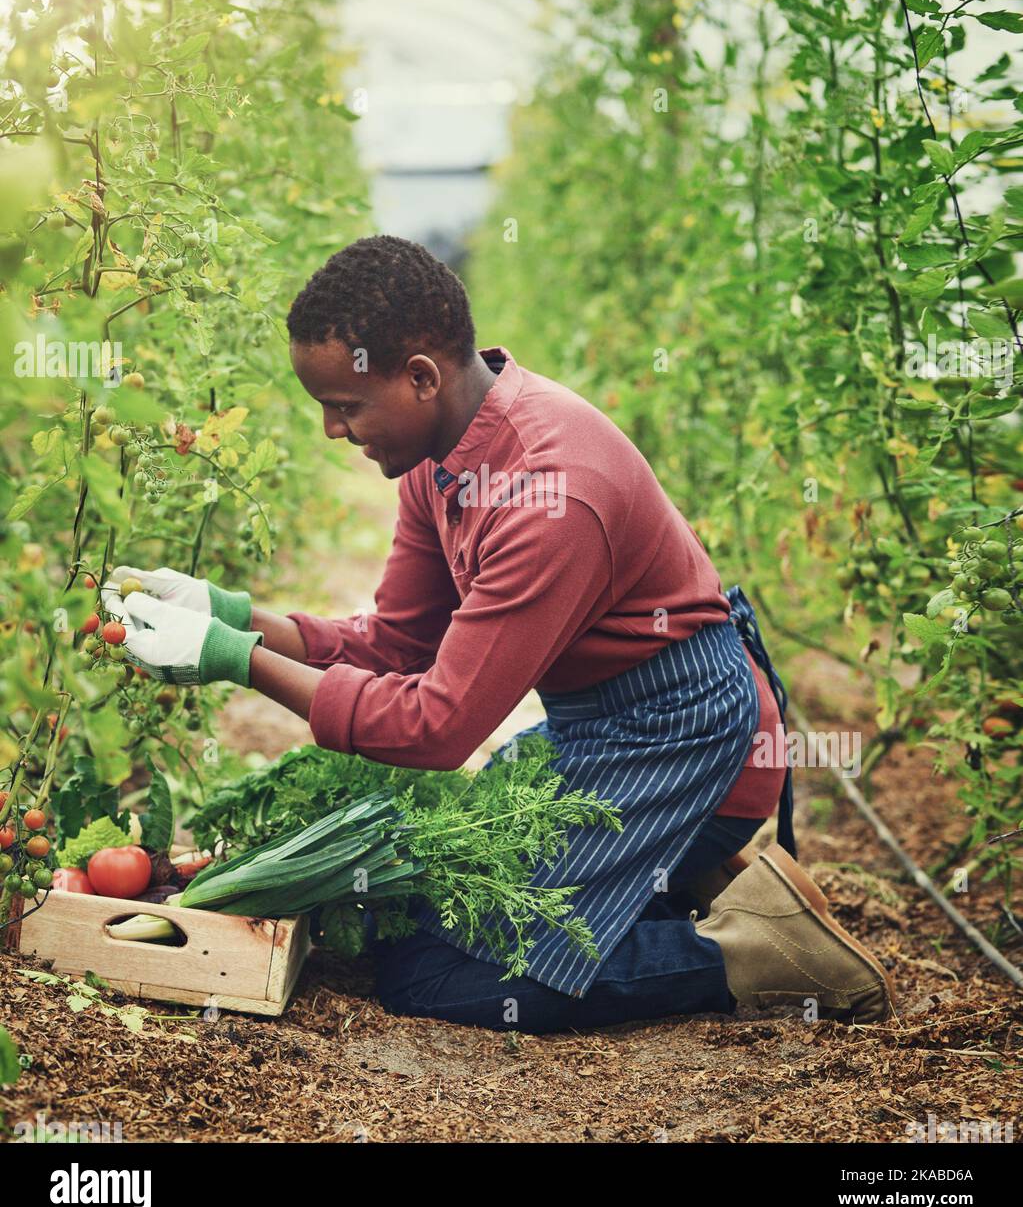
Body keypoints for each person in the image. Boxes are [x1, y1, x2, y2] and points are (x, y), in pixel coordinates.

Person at [105, 234, 895, 1035]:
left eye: (344, 406)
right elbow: (397, 644)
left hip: (688, 743)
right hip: (598, 732)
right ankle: (680, 880)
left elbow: (437, 726)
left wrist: (235, 662)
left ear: (420, 377)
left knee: (437, 975)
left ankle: (748, 951)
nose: (331, 433)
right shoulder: (438, 456)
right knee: (407, 909)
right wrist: (232, 614)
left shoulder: (551, 496)